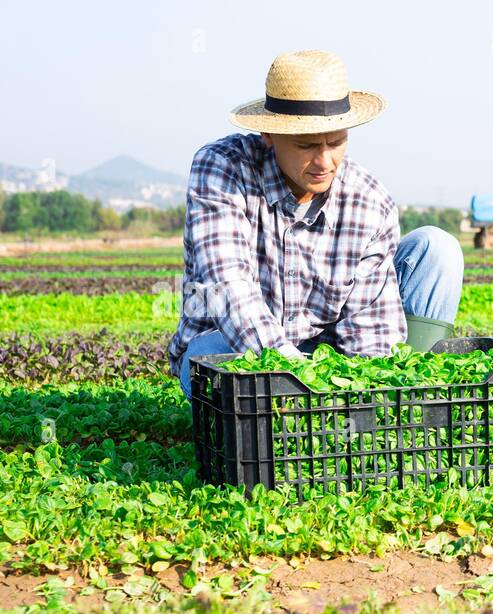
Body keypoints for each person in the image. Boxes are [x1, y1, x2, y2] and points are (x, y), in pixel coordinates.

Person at [169, 49, 464, 397]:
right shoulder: (223, 169)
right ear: (268, 134)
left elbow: (370, 329)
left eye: (337, 141)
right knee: (210, 357)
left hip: (326, 355)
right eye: (306, 145)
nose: (325, 161)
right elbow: (229, 289)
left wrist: (363, 390)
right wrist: (299, 378)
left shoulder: (369, 200)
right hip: (233, 343)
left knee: (438, 248)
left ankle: (408, 403)